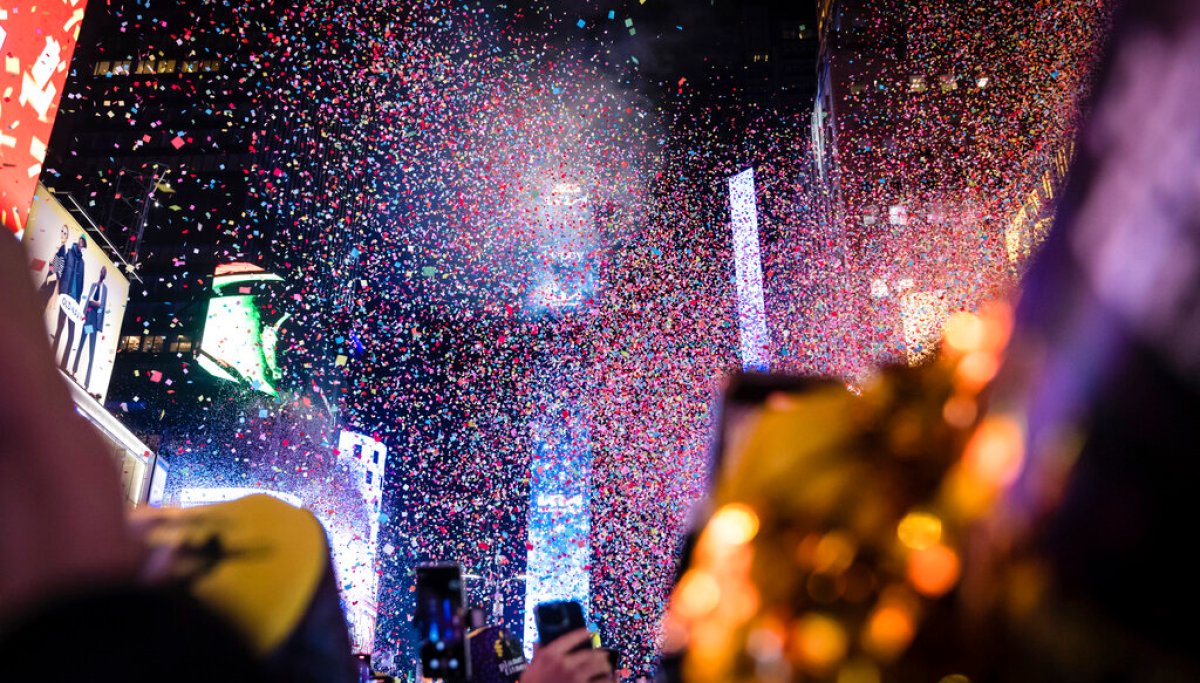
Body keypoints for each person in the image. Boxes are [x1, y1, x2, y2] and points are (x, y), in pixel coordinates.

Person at [50, 233, 86, 369]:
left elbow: (81, 282)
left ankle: (64, 365)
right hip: (65, 296)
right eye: (81, 242)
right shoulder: (69, 253)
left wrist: (77, 300)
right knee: (60, 328)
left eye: (83, 244)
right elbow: (60, 268)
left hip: (74, 301)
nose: (81, 245)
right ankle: (51, 358)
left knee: (71, 333)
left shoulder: (82, 263)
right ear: (78, 242)